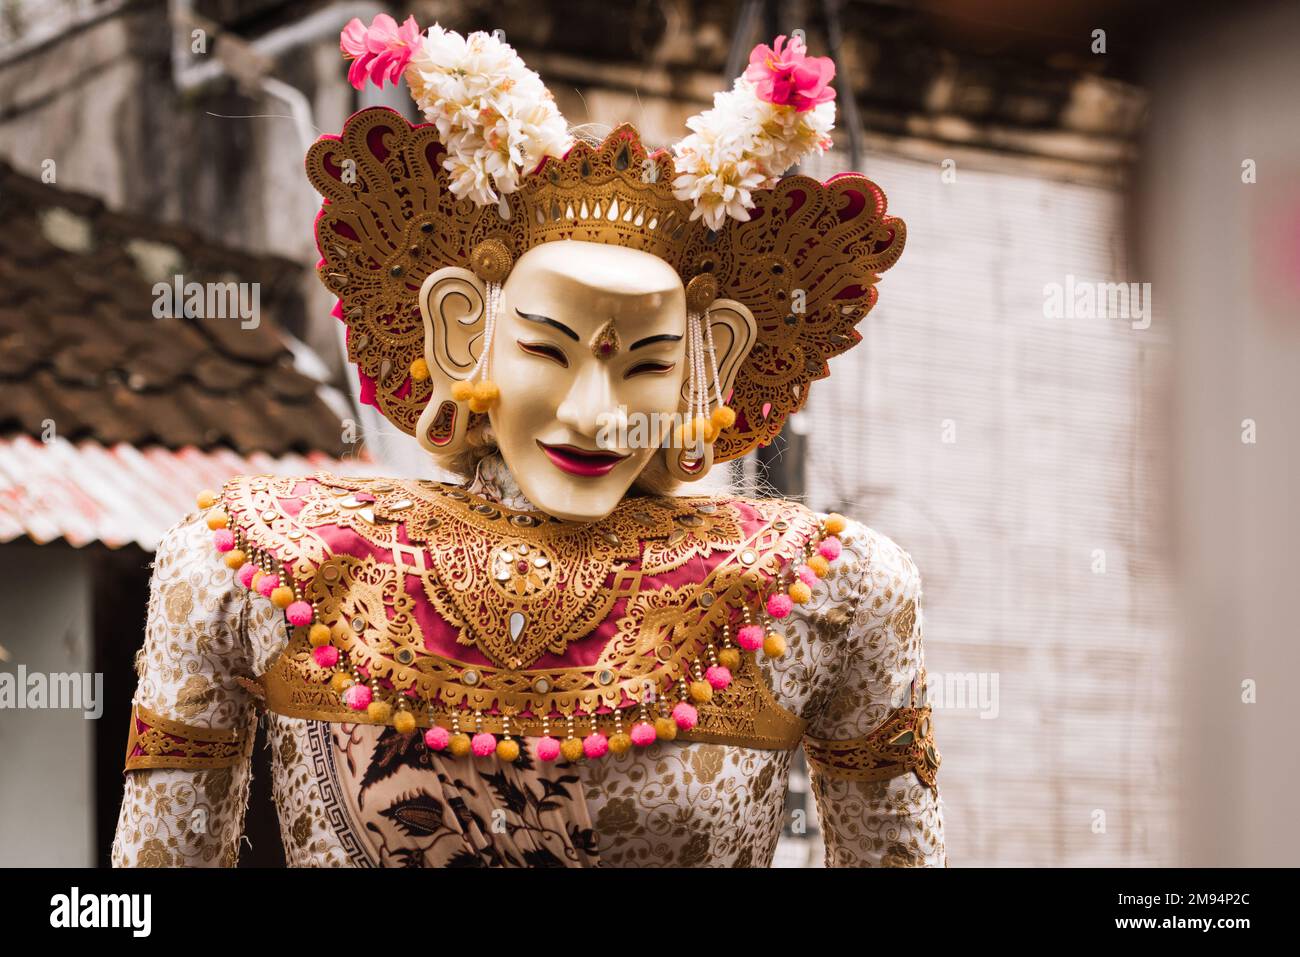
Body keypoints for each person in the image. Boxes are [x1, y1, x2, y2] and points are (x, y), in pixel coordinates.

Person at [112, 18, 945, 867]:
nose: (592, 414)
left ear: (710, 359)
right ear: (461, 328)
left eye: (647, 363)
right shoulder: (247, 562)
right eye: (548, 349)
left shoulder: (829, 594)